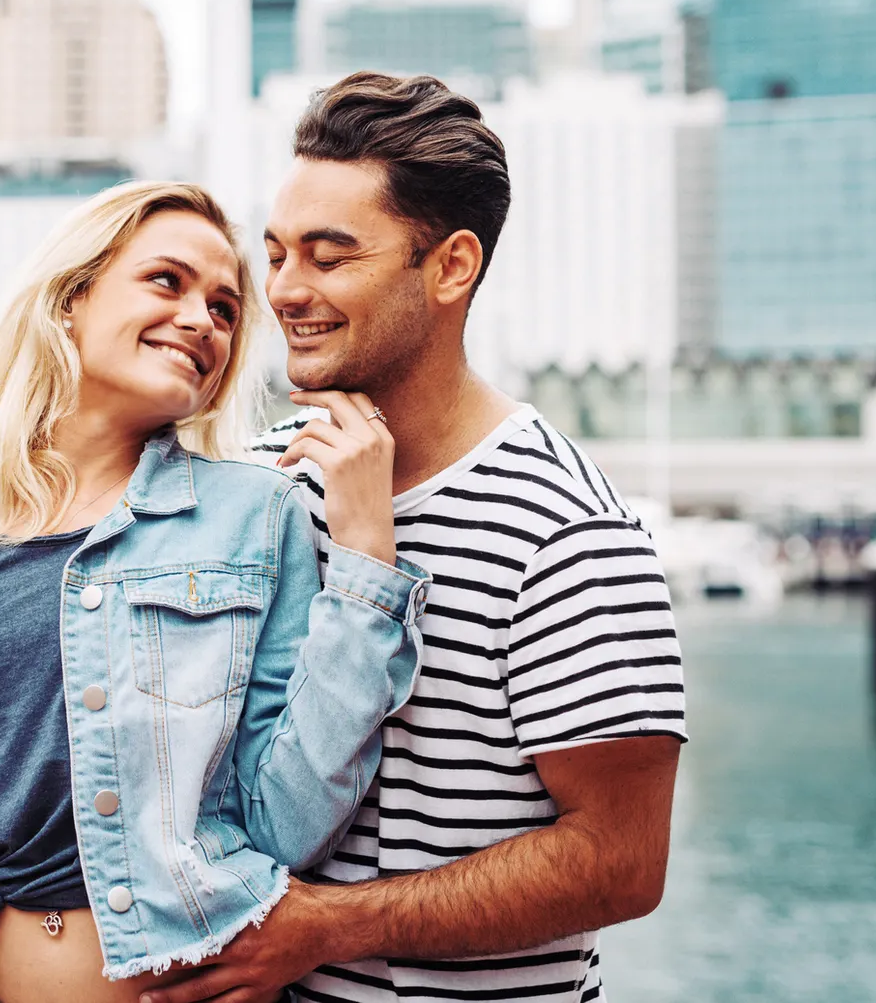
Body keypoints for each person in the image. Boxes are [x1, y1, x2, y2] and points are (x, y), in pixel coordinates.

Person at [0, 180, 433, 1003]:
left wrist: (366, 560)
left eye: (224, 309)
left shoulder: (255, 516)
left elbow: (290, 820)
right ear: (71, 298)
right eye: (167, 281)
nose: (202, 320)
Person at [139, 73, 688, 1003]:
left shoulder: (568, 532)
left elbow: (622, 860)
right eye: (276, 255)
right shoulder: (263, 485)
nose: (286, 291)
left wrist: (330, 926)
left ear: (451, 267)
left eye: (330, 256)